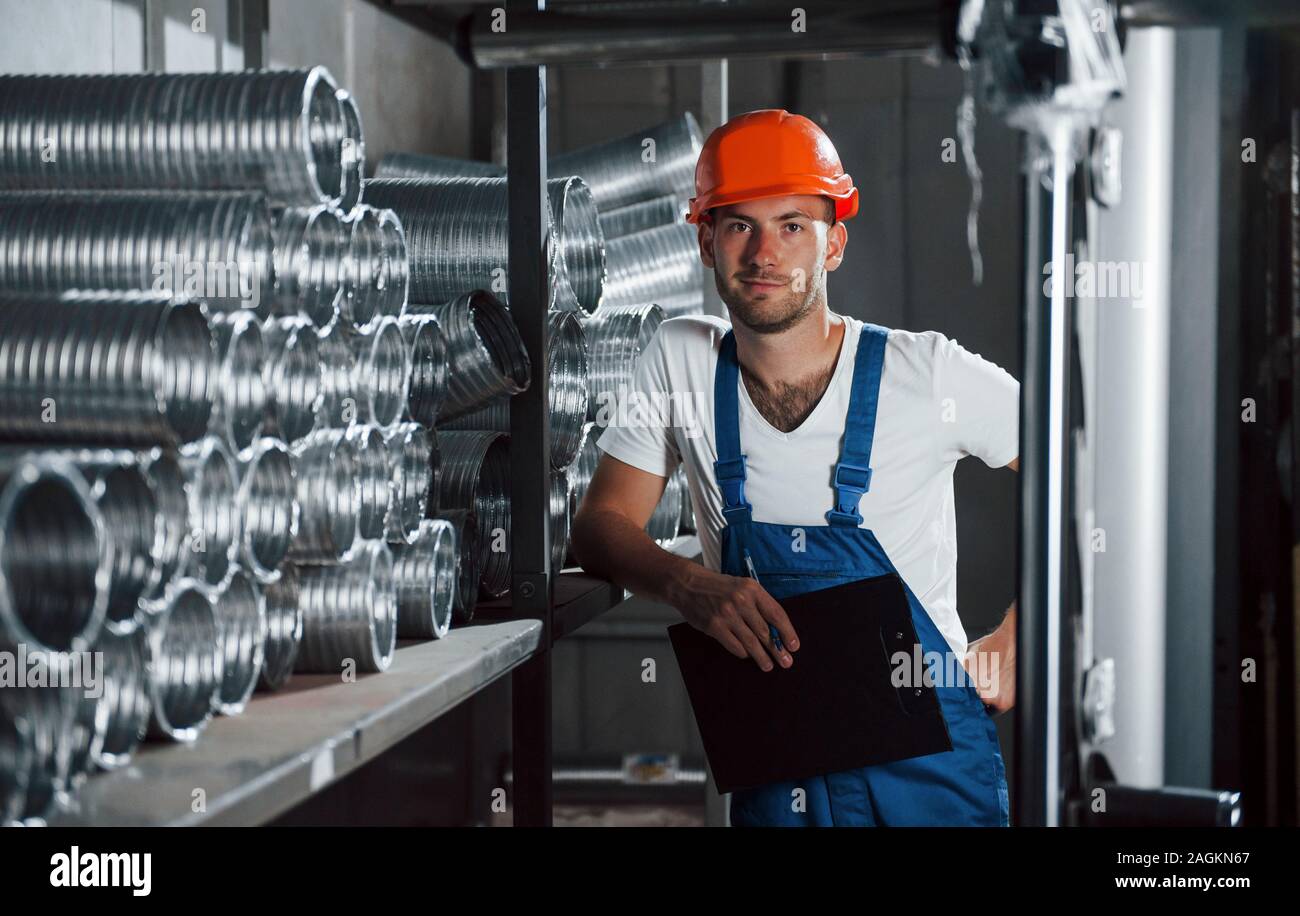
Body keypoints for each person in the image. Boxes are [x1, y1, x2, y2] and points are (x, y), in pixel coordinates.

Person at [570, 108, 1017, 827]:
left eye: (793, 225)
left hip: (929, 768)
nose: (764, 253)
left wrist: (1017, 637)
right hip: (781, 774)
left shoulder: (927, 373)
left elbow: (1081, 480)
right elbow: (598, 526)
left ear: (833, 244)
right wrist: (686, 585)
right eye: (739, 224)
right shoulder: (678, 360)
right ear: (705, 240)